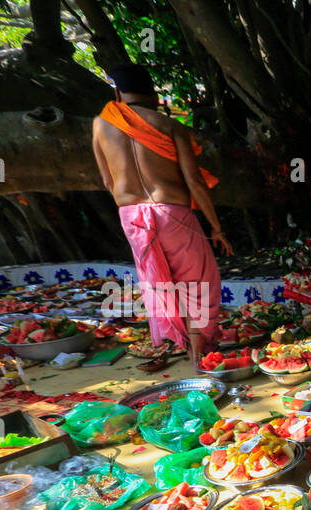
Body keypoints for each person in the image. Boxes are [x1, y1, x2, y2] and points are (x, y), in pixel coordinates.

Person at [92, 61, 231, 367]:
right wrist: (216, 228)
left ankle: (175, 345)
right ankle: (198, 353)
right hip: (173, 212)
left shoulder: (101, 124)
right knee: (199, 282)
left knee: (160, 284)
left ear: (117, 91)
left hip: (131, 215)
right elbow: (195, 181)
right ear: (153, 94)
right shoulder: (170, 126)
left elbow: (106, 181)